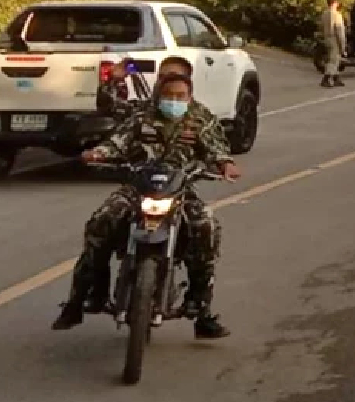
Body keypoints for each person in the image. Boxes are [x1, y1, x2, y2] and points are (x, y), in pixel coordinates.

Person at [53, 70, 241, 338]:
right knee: (101, 222)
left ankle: (201, 308)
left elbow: (217, 148)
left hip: (179, 190)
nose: (174, 101)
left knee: (206, 227)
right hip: (137, 187)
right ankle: (82, 298)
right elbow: (116, 144)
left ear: (189, 97)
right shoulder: (141, 118)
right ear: (158, 95)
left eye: (180, 96)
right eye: (168, 95)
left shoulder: (201, 120)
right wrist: (97, 154)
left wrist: (226, 164)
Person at [316, 0, 348, 88]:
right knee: (333, 59)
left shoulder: (324, 14)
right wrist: (342, 44)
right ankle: (326, 78)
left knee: (334, 59)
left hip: (326, 38)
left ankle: (336, 77)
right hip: (334, 38)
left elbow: (320, 27)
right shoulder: (337, 15)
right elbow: (339, 31)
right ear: (335, 3)